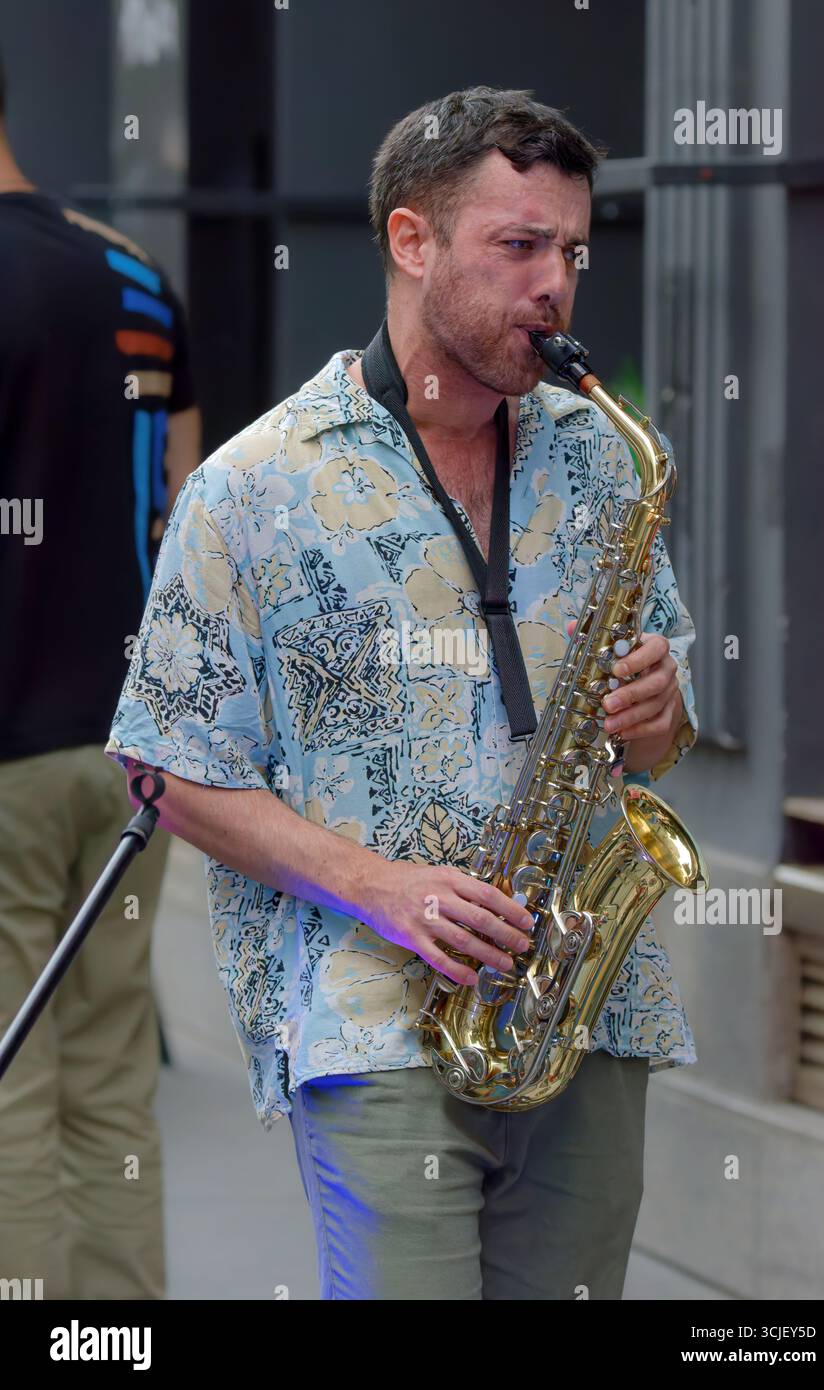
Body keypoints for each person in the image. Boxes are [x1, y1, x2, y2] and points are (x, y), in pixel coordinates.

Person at [107, 85, 699, 1301]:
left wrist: (662, 714)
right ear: (410, 241)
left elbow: (660, 743)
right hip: (372, 1018)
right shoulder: (252, 487)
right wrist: (382, 889)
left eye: (571, 252)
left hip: (581, 1006)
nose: (556, 286)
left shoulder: (605, 454)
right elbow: (163, 765)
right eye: (519, 246)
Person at [0, 44, 200, 1300]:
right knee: (110, 1080)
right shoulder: (136, 278)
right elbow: (186, 523)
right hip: (129, 764)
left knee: (10, 1089)